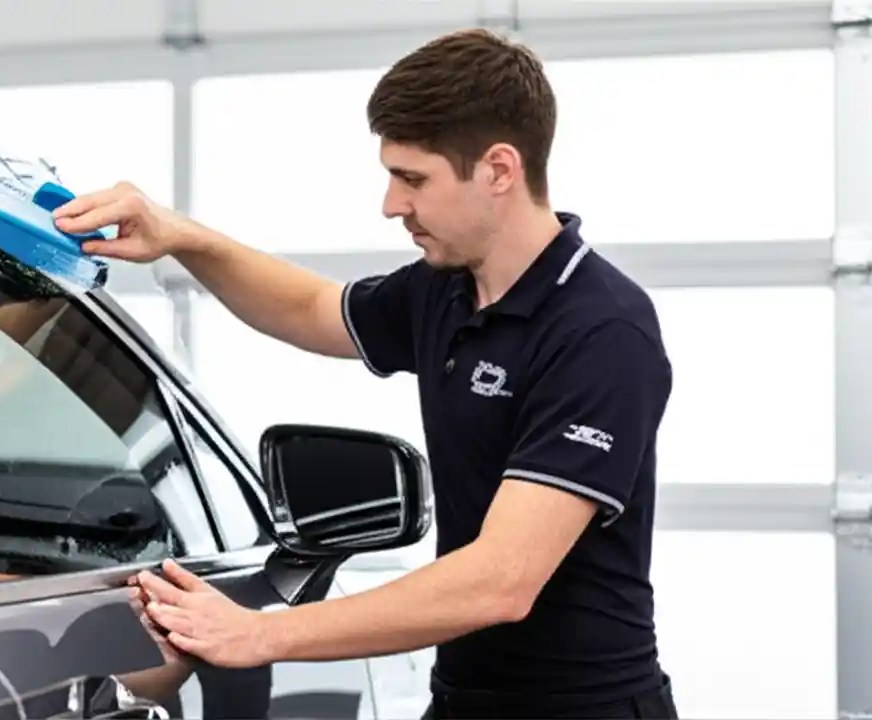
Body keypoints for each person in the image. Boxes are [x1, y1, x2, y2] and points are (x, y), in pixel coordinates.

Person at [52, 26, 681, 720]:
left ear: (499, 170)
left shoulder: (601, 328)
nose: (391, 204)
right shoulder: (445, 289)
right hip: (466, 697)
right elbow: (309, 306)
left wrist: (260, 632)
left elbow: (502, 580)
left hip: (585, 708)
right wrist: (181, 238)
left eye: (413, 178)